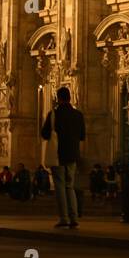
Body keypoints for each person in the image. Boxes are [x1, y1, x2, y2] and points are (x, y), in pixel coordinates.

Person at [41, 86, 86, 228]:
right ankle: (74, 218)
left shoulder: (54, 114)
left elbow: (45, 134)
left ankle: (64, 218)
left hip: (57, 155)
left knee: (60, 187)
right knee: (69, 186)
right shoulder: (78, 115)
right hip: (73, 155)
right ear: (70, 98)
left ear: (58, 98)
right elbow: (82, 136)